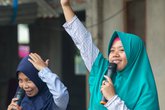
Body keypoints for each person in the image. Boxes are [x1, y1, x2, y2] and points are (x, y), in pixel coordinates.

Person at [60, 0, 159, 110]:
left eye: (122, 50)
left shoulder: (145, 90)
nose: (115, 54)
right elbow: (83, 40)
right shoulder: (102, 69)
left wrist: (112, 99)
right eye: (112, 50)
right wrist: (66, 6)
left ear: (135, 56)